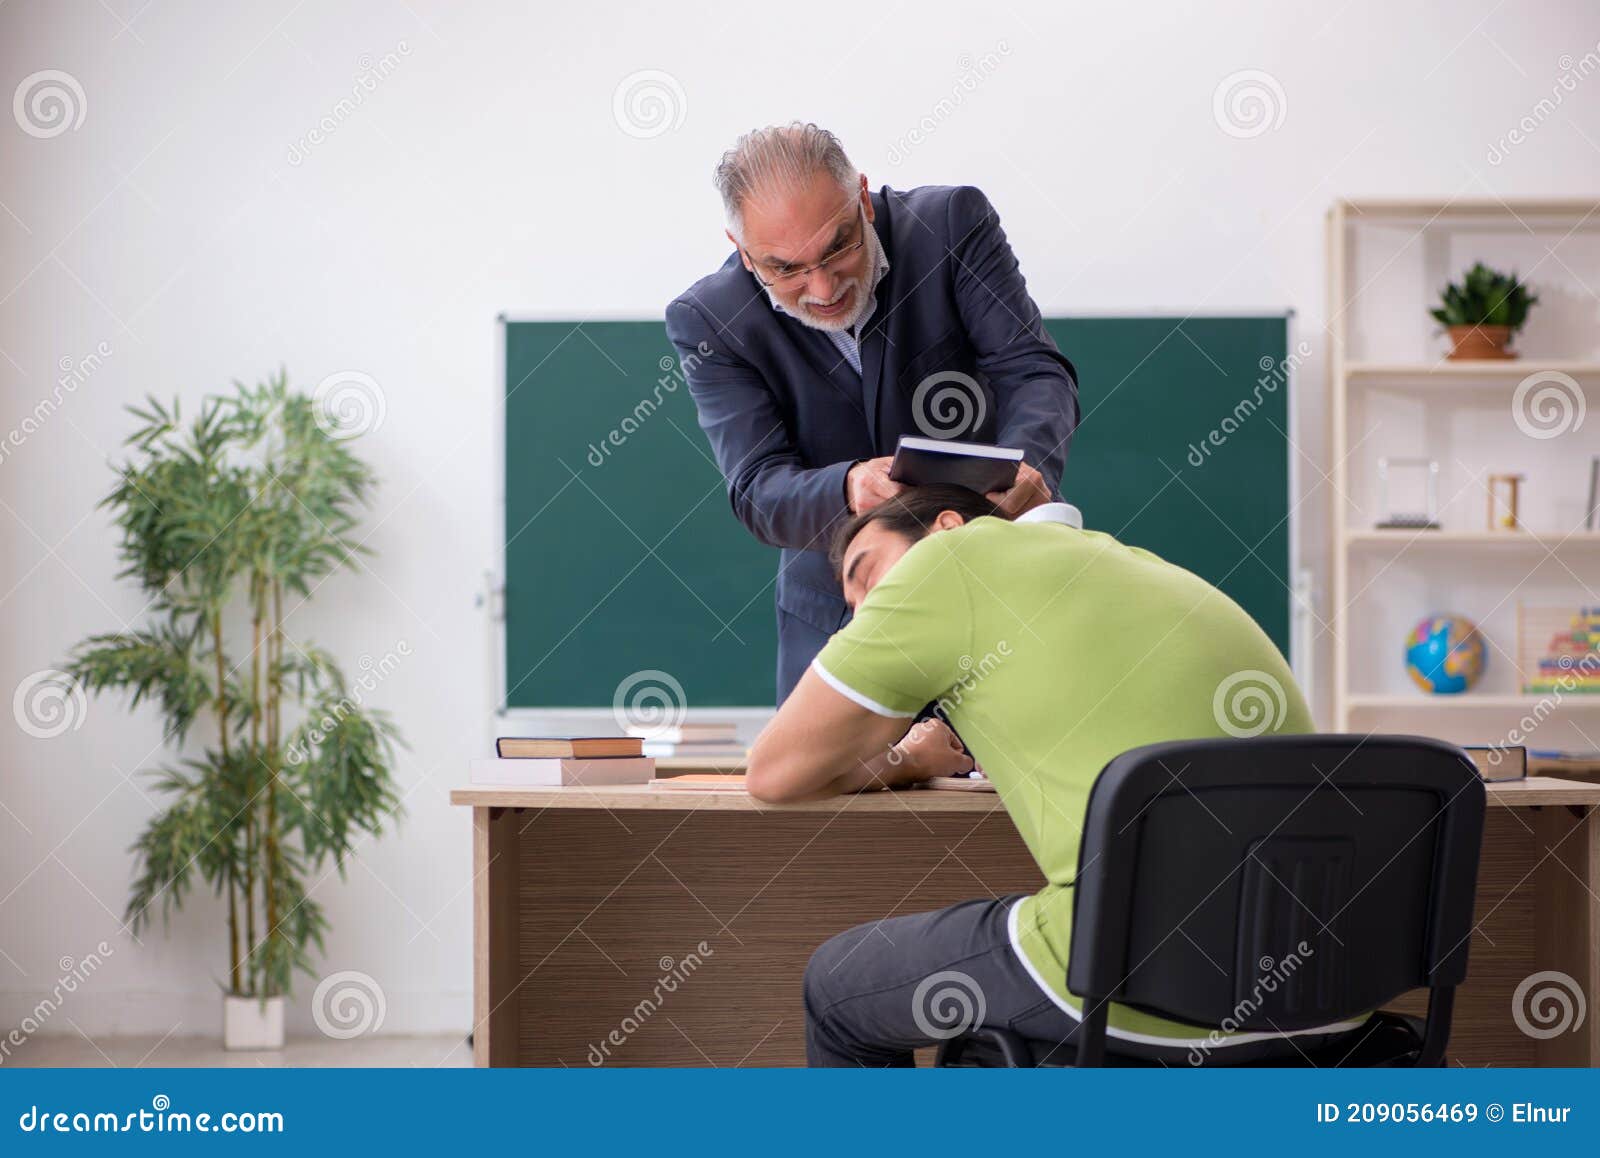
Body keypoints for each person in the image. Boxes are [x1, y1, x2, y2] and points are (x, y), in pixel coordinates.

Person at [744, 486, 1349, 1066]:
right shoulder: (1135, 563)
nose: (864, 613)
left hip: (1143, 982)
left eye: (868, 573)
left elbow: (774, 772)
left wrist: (913, 760)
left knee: (838, 988)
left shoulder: (952, 561)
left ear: (948, 527)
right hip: (1334, 982)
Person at [666, 123, 1078, 702]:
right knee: (838, 793)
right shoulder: (711, 320)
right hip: (839, 621)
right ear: (742, 250)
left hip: (993, 588)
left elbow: (1033, 373)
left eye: (839, 246)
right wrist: (848, 485)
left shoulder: (951, 225)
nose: (823, 286)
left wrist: (1027, 467)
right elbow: (758, 490)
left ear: (863, 199)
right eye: (785, 269)